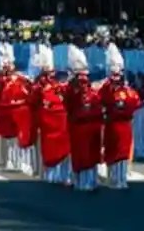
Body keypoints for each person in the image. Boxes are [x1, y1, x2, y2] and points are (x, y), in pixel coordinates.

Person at [100, 43, 140, 190]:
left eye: (118, 75)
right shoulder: (105, 88)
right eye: (114, 74)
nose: (116, 77)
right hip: (111, 124)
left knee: (123, 153)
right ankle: (113, 178)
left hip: (124, 125)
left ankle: (122, 178)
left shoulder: (127, 90)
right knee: (112, 151)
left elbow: (135, 102)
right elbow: (100, 101)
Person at [31, 45, 71, 184]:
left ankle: (64, 175)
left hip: (63, 123)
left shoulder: (64, 88)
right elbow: (34, 100)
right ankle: (47, 174)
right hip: (47, 123)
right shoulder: (40, 87)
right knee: (47, 149)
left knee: (65, 150)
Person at [65, 46, 102, 192]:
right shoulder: (72, 90)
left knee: (90, 155)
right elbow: (69, 103)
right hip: (78, 126)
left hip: (90, 126)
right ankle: (81, 181)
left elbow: (98, 107)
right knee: (80, 155)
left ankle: (90, 181)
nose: (83, 82)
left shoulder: (92, 93)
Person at [0, 44, 34, 174]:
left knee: (22, 138)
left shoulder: (23, 80)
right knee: (9, 138)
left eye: (10, 65)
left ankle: (23, 162)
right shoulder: (1, 80)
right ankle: (10, 160)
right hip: (7, 111)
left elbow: (30, 94)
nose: (9, 67)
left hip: (21, 111)